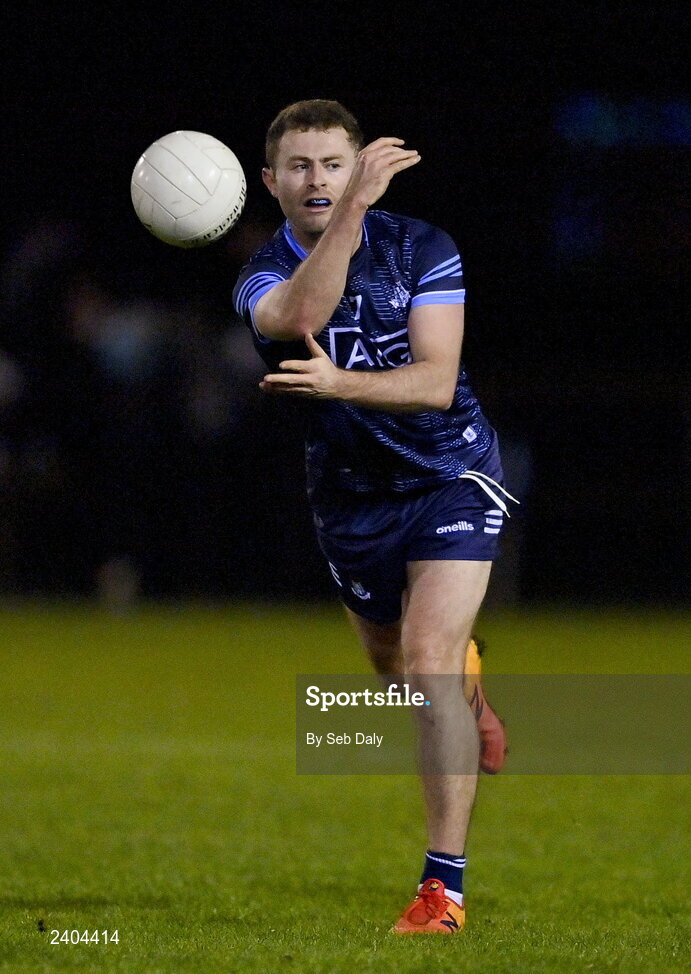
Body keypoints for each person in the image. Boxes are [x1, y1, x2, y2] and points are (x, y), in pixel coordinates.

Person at [233, 99, 516, 934]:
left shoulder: (424, 247)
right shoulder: (261, 269)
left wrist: (339, 384)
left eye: (333, 164)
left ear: (357, 166)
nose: (317, 179)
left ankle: (443, 891)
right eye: (299, 166)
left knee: (425, 666)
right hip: (351, 498)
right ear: (269, 181)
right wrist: (345, 221)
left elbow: (432, 381)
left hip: (449, 474)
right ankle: (462, 680)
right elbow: (296, 320)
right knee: (402, 678)